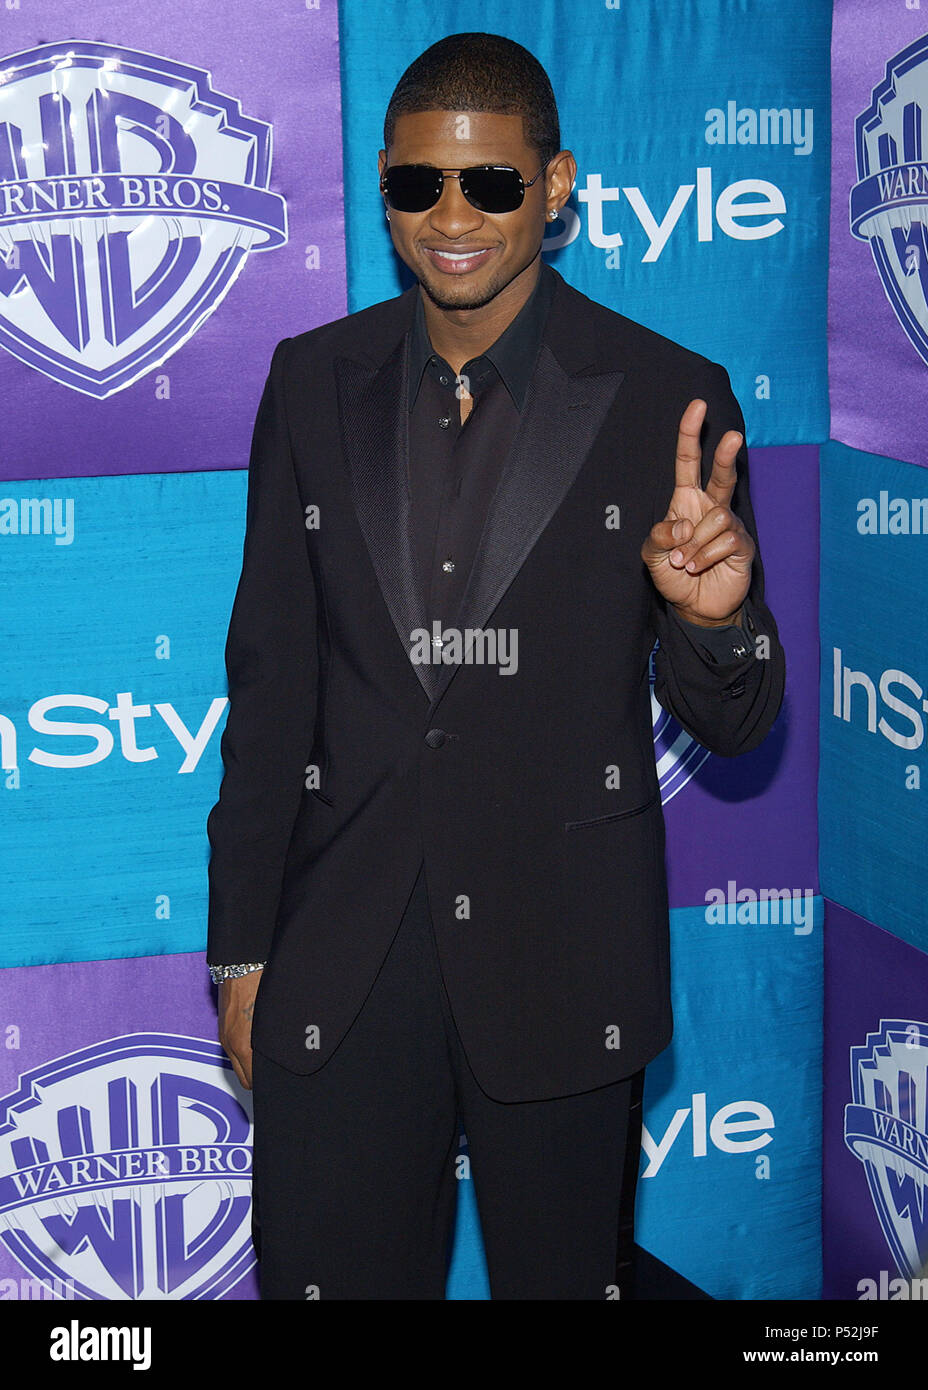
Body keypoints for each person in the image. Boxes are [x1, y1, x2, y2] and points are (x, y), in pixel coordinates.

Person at [206, 31, 785, 1300]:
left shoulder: (667, 399)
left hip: (562, 955)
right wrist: (241, 956)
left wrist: (707, 617)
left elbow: (739, 724)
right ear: (381, 183)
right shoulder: (310, 382)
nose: (450, 220)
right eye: (417, 186)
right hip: (341, 961)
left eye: (492, 185)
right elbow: (271, 689)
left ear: (559, 182)